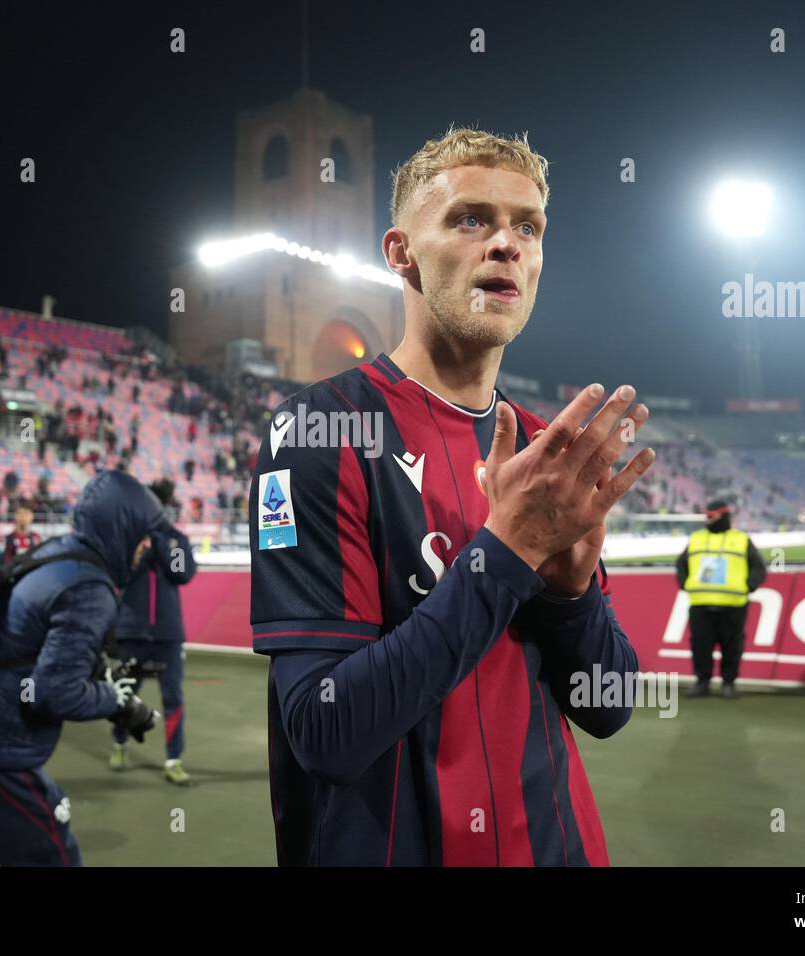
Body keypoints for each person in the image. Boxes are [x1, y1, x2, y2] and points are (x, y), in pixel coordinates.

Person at [249, 128, 656, 866]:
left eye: (527, 228)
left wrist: (571, 598)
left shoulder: (547, 447)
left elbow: (608, 707)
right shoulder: (319, 431)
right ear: (400, 252)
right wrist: (507, 553)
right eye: (471, 219)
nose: (507, 245)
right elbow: (323, 732)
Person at [0, 471, 164, 866]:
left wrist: (102, 683)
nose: (147, 543)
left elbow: (34, 645)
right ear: (121, 526)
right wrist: (113, 697)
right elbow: (54, 692)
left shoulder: (56, 552)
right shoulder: (90, 588)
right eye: (143, 531)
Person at [109, 479, 198, 784]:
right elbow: (118, 575)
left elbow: (182, 573)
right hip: (131, 633)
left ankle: (173, 759)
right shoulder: (128, 539)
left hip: (168, 636)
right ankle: (120, 741)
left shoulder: (176, 540)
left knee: (172, 697)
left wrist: (159, 542)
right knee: (125, 693)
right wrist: (139, 549)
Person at [675, 500, 767, 699]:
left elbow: (759, 567)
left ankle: (728, 683)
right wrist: (685, 584)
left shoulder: (741, 539)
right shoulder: (697, 538)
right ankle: (702, 682)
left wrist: (748, 586)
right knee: (700, 646)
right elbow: (681, 564)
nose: (707, 520)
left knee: (732, 646)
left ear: (722, 516)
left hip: (733, 604)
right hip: (700, 603)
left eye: (711, 516)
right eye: (706, 516)